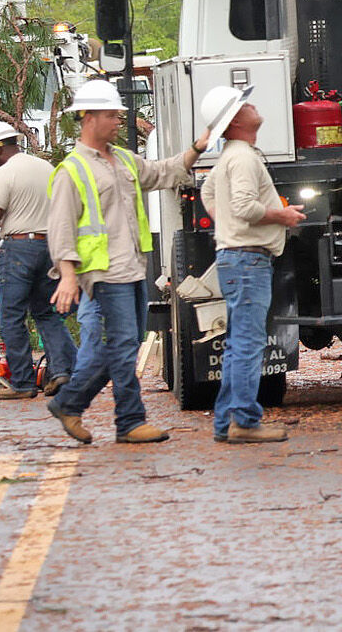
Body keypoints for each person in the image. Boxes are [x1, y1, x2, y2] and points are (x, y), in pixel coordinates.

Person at [45, 79, 212, 445]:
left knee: (124, 344)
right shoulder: (71, 171)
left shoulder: (122, 160)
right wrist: (68, 276)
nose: (119, 120)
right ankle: (129, 421)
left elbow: (165, 171)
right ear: (88, 118)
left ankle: (70, 404)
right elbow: (60, 230)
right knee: (120, 347)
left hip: (132, 268)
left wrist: (198, 147)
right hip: (103, 274)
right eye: (111, 114)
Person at [198, 85, 305, 444]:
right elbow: (244, 207)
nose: (252, 106)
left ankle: (228, 422)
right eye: (244, 105)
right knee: (247, 344)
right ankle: (243, 420)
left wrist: (223, 220)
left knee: (238, 344)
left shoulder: (231, 155)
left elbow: (208, 193)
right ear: (235, 122)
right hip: (248, 260)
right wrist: (283, 215)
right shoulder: (242, 157)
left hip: (238, 259)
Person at [0, 121, 76, 400]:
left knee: (12, 318)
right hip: (51, 247)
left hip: (19, 249)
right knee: (47, 313)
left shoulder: (5, 173)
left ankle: (22, 383)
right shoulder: (46, 168)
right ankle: (61, 372)